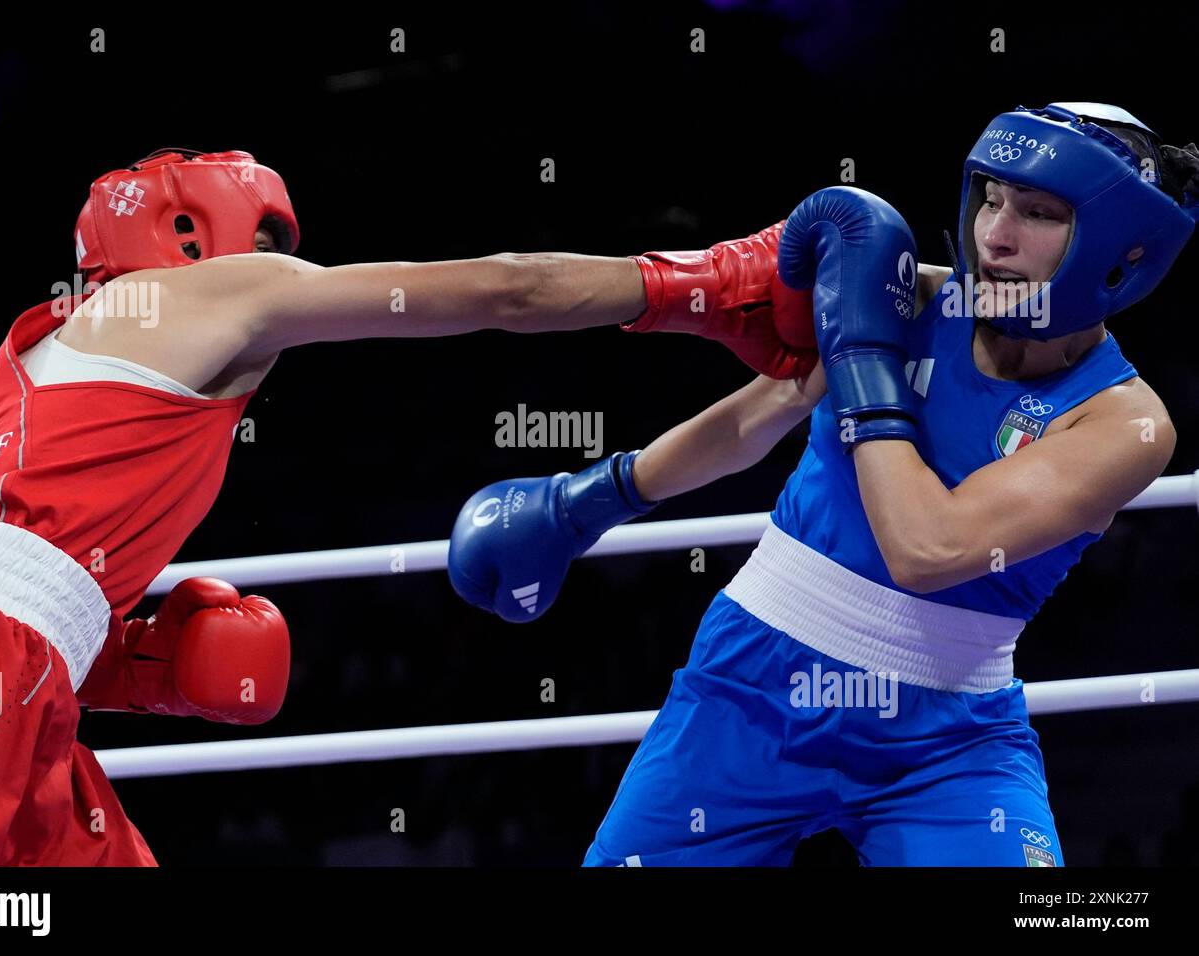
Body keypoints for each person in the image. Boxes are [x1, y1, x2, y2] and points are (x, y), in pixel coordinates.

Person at [0, 147, 813, 865]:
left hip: (12, 683)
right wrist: (712, 282)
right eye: (264, 247)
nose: (282, 271)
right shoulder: (203, 293)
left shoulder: (24, 372)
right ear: (188, 236)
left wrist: (143, 668)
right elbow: (508, 287)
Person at [447, 103, 1198, 866]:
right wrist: (589, 501)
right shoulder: (912, 299)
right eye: (992, 200)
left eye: (1037, 213)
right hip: (750, 688)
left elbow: (930, 548)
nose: (995, 235)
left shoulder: (1124, 425)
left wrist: (865, 363)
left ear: (1120, 248)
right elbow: (756, 419)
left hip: (948, 742)